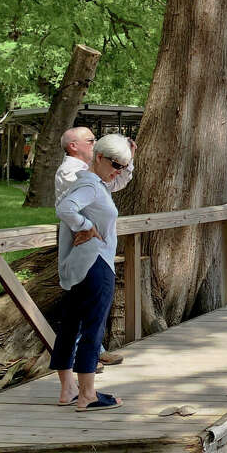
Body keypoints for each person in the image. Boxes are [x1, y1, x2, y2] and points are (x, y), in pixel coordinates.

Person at [52, 134, 132, 411]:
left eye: (123, 166)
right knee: (93, 327)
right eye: (116, 164)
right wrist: (86, 225)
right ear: (99, 157)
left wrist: (127, 160)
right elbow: (64, 208)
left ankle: (68, 389)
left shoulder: (96, 183)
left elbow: (119, 180)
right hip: (96, 262)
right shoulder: (91, 185)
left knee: (70, 324)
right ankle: (87, 393)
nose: (118, 171)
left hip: (79, 264)